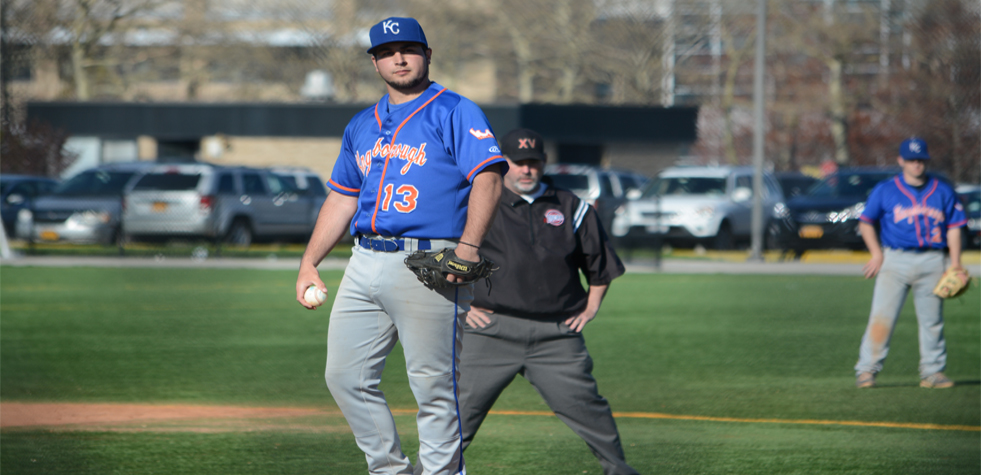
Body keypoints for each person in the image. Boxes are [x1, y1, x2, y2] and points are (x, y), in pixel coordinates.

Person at [294, 16, 507, 475]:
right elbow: (342, 196)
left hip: (430, 258)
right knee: (345, 377)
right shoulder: (361, 124)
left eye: (409, 48)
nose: (400, 57)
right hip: (364, 258)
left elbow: (489, 176)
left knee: (433, 386)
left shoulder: (454, 110)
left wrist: (469, 248)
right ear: (375, 63)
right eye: (388, 51)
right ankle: (389, 469)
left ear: (427, 55)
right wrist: (310, 262)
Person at [454, 128, 640, 475]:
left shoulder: (571, 206)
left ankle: (619, 471)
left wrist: (591, 306)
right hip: (490, 331)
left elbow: (600, 265)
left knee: (590, 410)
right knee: (456, 415)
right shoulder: (476, 204)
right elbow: (445, 259)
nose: (526, 170)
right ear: (502, 162)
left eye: (533, 163)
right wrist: (463, 305)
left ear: (544, 163)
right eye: (518, 162)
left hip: (556, 336)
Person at [854, 137, 967, 389]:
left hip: (933, 259)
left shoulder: (942, 190)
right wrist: (876, 254)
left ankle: (933, 372)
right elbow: (865, 222)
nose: (916, 164)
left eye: (920, 160)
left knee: (932, 321)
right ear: (900, 161)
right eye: (911, 160)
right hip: (895, 259)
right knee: (882, 317)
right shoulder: (885, 190)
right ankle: (866, 370)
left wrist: (955, 263)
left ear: (926, 161)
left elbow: (955, 228)